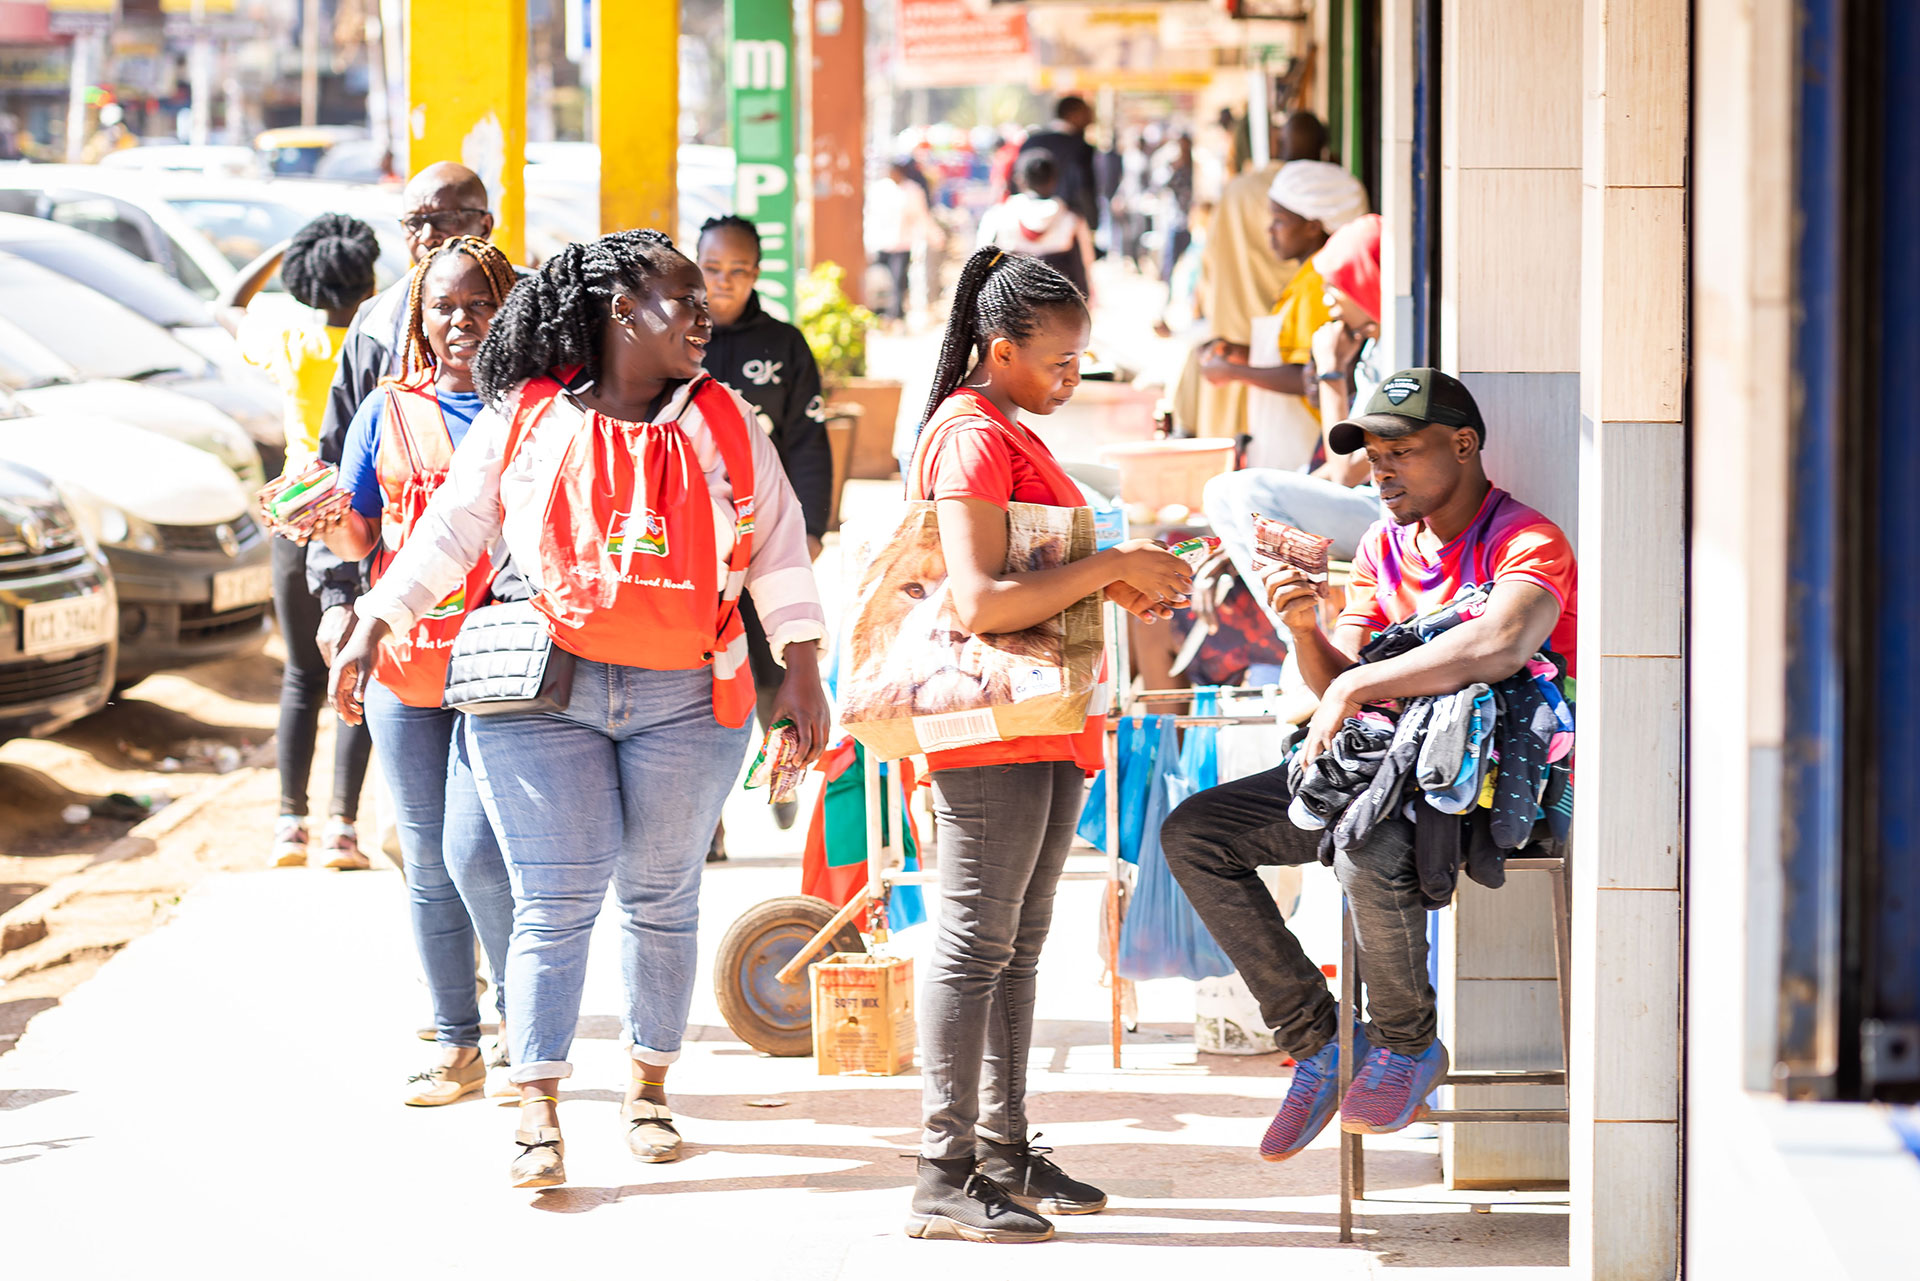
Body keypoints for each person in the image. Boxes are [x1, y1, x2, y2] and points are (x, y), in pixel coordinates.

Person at [329, 230, 832, 1189]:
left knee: (660, 899)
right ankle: (537, 1110)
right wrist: (374, 620)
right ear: (616, 311)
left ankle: (648, 1087)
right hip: (541, 692)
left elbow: (778, 547)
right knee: (552, 906)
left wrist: (801, 668)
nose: (699, 317)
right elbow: (450, 528)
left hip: (688, 695)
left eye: (701, 301)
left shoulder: (724, 421)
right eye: (679, 301)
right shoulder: (527, 415)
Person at [1161, 368, 1577, 1164]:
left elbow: (1501, 642)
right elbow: (1335, 684)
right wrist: (1303, 631)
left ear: (1464, 446)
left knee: (1361, 839)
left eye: (1402, 453)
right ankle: (1321, 1042)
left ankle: (1407, 1043)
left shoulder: (1527, 539)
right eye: (1372, 456)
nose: (1380, 471)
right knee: (1197, 835)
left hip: (1490, 784)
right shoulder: (1386, 545)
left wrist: (1353, 680)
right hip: (1382, 770)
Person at [901, 246, 1191, 1244]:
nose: (1072, 380)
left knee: (1015, 944)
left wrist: (1119, 577)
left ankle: (1004, 1149)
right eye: (1059, 364)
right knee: (975, 939)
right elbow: (981, 601)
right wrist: (1111, 561)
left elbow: (1033, 572)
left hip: (1046, 718)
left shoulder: (1005, 428)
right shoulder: (970, 436)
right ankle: (943, 1174)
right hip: (990, 726)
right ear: (1000, 350)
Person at [313, 236, 519, 1106]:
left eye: (478, 303)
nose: (460, 320)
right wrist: (318, 521)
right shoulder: (386, 410)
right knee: (429, 858)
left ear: (506, 309)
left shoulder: (540, 409)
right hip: (406, 664)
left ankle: (526, 1026)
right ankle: (458, 1042)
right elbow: (361, 535)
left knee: (484, 853)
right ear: (420, 318)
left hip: (510, 668)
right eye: (443, 306)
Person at [307, 163, 506, 662]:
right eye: (414, 222)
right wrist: (339, 596)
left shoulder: (531, 310)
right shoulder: (375, 324)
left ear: (486, 224)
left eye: (445, 218)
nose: (427, 235)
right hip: (406, 625)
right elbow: (340, 465)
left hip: (508, 611)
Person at [237, 213, 379, 870]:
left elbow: (227, 305)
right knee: (360, 671)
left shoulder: (290, 338)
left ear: (301, 280)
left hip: (299, 517)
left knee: (301, 675)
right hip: (362, 519)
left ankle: (288, 826)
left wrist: (282, 250)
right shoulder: (383, 340)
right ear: (368, 277)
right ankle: (342, 829)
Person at [696, 213, 833, 834]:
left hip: (766, 538)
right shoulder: (675, 337)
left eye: (738, 272)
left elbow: (808, 440)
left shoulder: (784, 346)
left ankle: (782, 776)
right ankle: (705, 822)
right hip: (694, 547)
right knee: (699, 683)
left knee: (775, 666)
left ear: (757, 274)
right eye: (711, 269)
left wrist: (809, 529)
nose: (723, 284)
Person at [1205, 213, 1386, 625]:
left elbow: (1348, 471)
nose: (1328, 301)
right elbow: (1336, 472)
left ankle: (1308, 632)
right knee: (1223, 494)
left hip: (1398, 514)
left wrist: (1330, 373)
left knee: (1252, 490)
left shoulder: (1397, 352)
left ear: (1364, 282)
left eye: (1336, 287)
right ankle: (1298, 632)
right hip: (1368, 507)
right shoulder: (1373, 349)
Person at [1200, 159, 1369, 470]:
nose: (1270, 230)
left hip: (1307, 443)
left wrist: (1233, 371)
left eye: (1278, 220)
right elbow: (1293, 356)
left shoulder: (1320, 284)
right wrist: (1239, 354)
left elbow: (1307, 375)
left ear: (1312, 226)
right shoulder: (1305, 277)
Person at [1180, 111, 1328, 439]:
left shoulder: (1240, 191)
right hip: (1251, 355)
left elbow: (1209, 264)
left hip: (1257, 351)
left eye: (1279, 222)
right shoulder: (1325, 202)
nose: (1271, 231)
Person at [974, 151, 1095, 302]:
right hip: (1062, 304)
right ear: (1054, 180)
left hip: (1013, 302)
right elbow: (1086, 262)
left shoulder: (998, 215)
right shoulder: (1072, 219)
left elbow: (980, 259)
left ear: (1019, 180)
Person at [866, 160, 941, 323]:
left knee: (898, 283)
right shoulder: (879, 189)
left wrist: (934, 236)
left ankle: (896, 317)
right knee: (879, 281)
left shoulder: (912, 191)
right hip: (881, 243)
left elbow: (922, 216)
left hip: (902, 244)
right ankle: (880, 315)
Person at [1020, 96, 1101, 242]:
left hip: (1026, 227)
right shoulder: (1081, 148)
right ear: (1074, 113)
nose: (1092, 118)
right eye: (1088, 112)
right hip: (1068, 230)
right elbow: (1084, 189)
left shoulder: (1030, 142)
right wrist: (1092, 224)